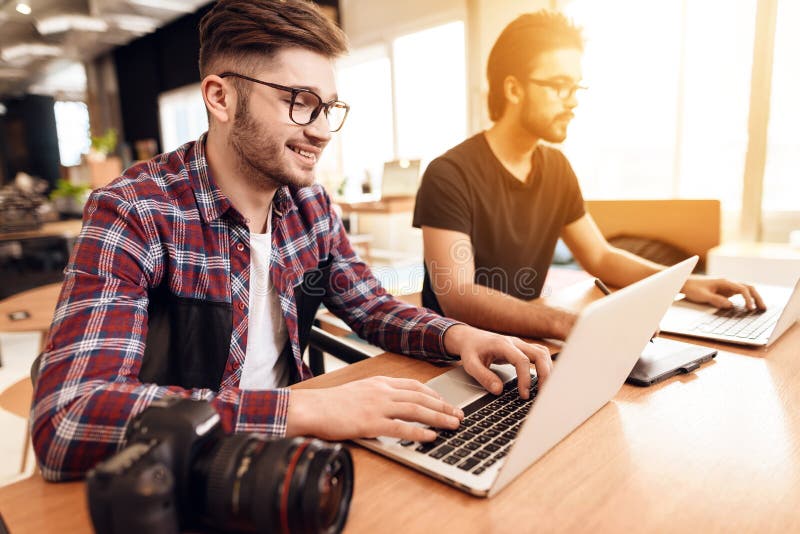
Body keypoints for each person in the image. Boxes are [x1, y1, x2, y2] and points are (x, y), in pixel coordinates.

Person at [31, 0, 552, 481]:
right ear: (220, 97)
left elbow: (370, 306)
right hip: (190, 468)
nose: (322, 131)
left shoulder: (310, 206)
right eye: (300, 103)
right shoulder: (136, 211)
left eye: (328, 108)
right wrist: (309, 409)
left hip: (294, 456)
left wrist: (459, 337)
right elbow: (70, 415)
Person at [413, 10, 765, 341]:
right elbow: (457, 296)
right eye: (559, 85)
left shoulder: (556, 169)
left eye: (576, 87)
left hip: (528, 345)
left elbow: (600, 257)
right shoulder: (448, 175)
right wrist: (567, 324)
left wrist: (686, 284)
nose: (572, 101)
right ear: (514, 89)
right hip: (455, 355)